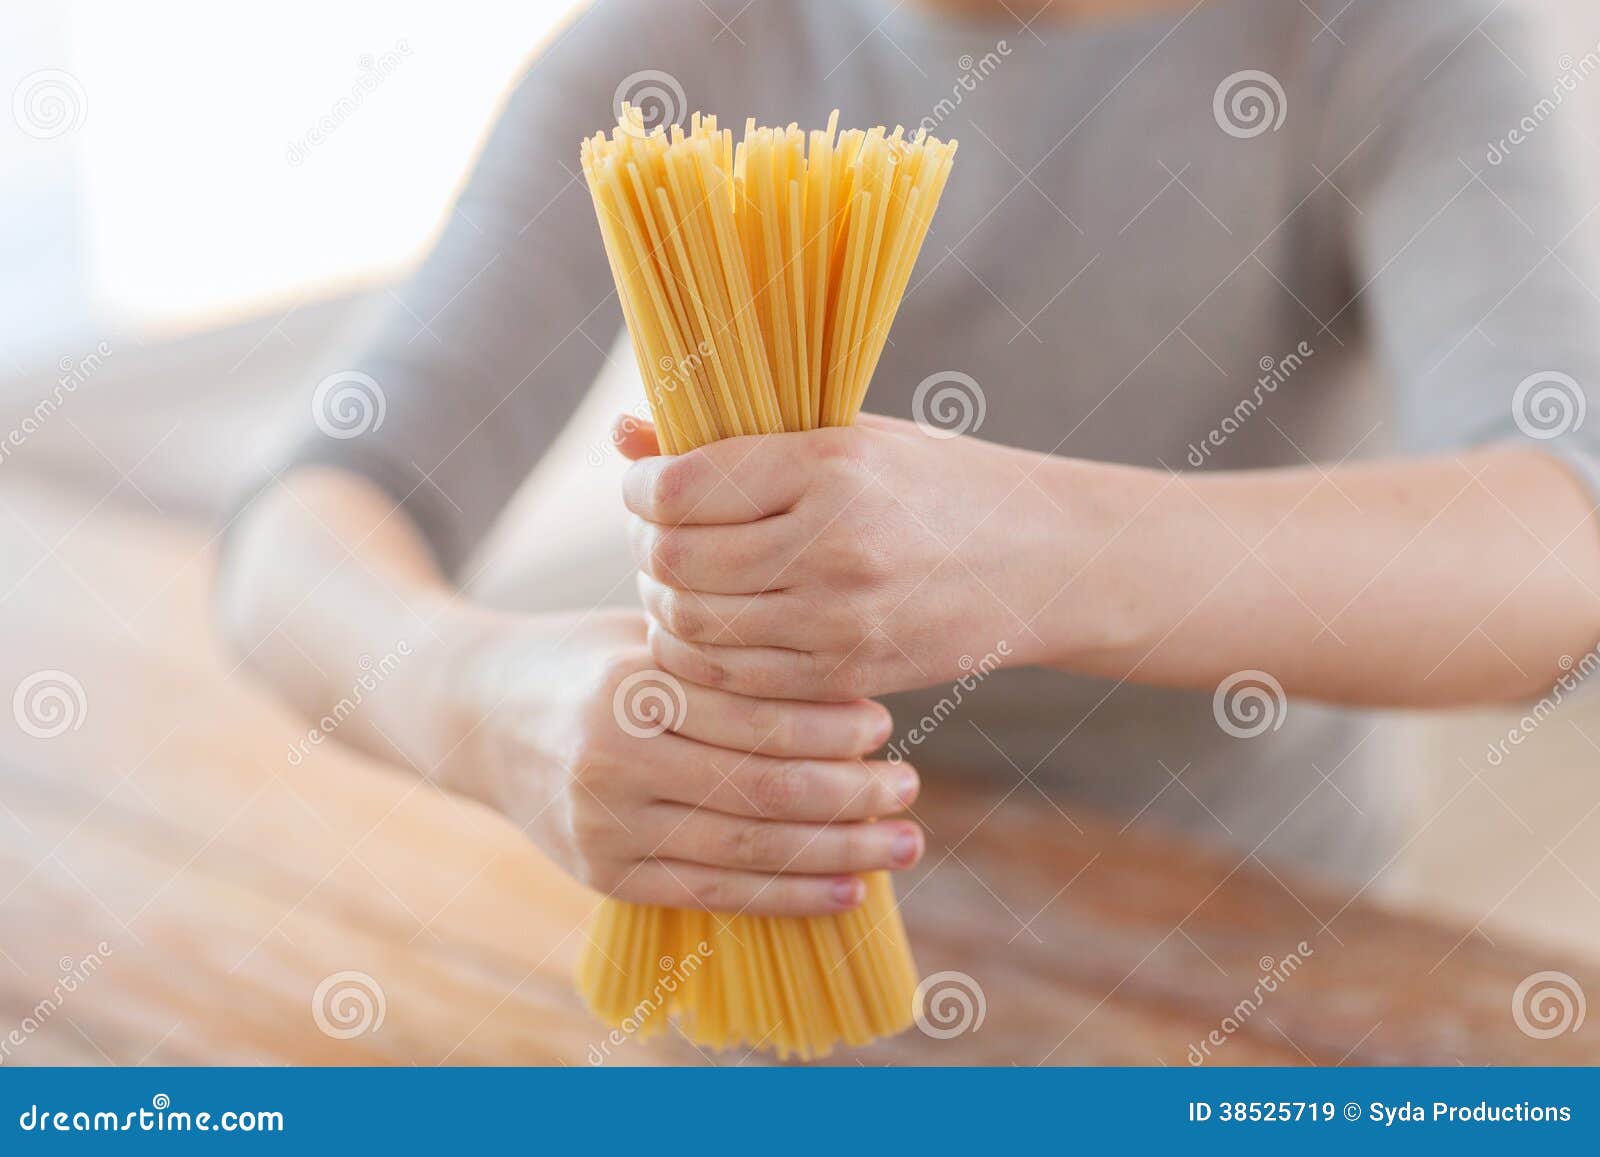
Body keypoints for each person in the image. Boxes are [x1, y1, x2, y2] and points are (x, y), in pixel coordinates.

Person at [220, 0, 1600, 916]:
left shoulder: (1383, 39)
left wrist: (1048, 556)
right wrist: (489, 702)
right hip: (754, 962)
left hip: (1235, 946)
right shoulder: (674, 50)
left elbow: (1560, 546)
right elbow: (300, 530)